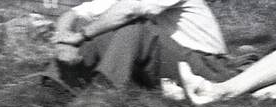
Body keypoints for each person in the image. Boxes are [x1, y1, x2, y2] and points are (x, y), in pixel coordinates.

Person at [45, 0, 230, 97]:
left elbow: (129, 11)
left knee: (134, 28)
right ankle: (57, 91)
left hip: (207, 68)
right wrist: (63, 40)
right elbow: (73, 13)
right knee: (100, 29)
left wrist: (80, 35)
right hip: (171, 65)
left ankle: (104, 99)